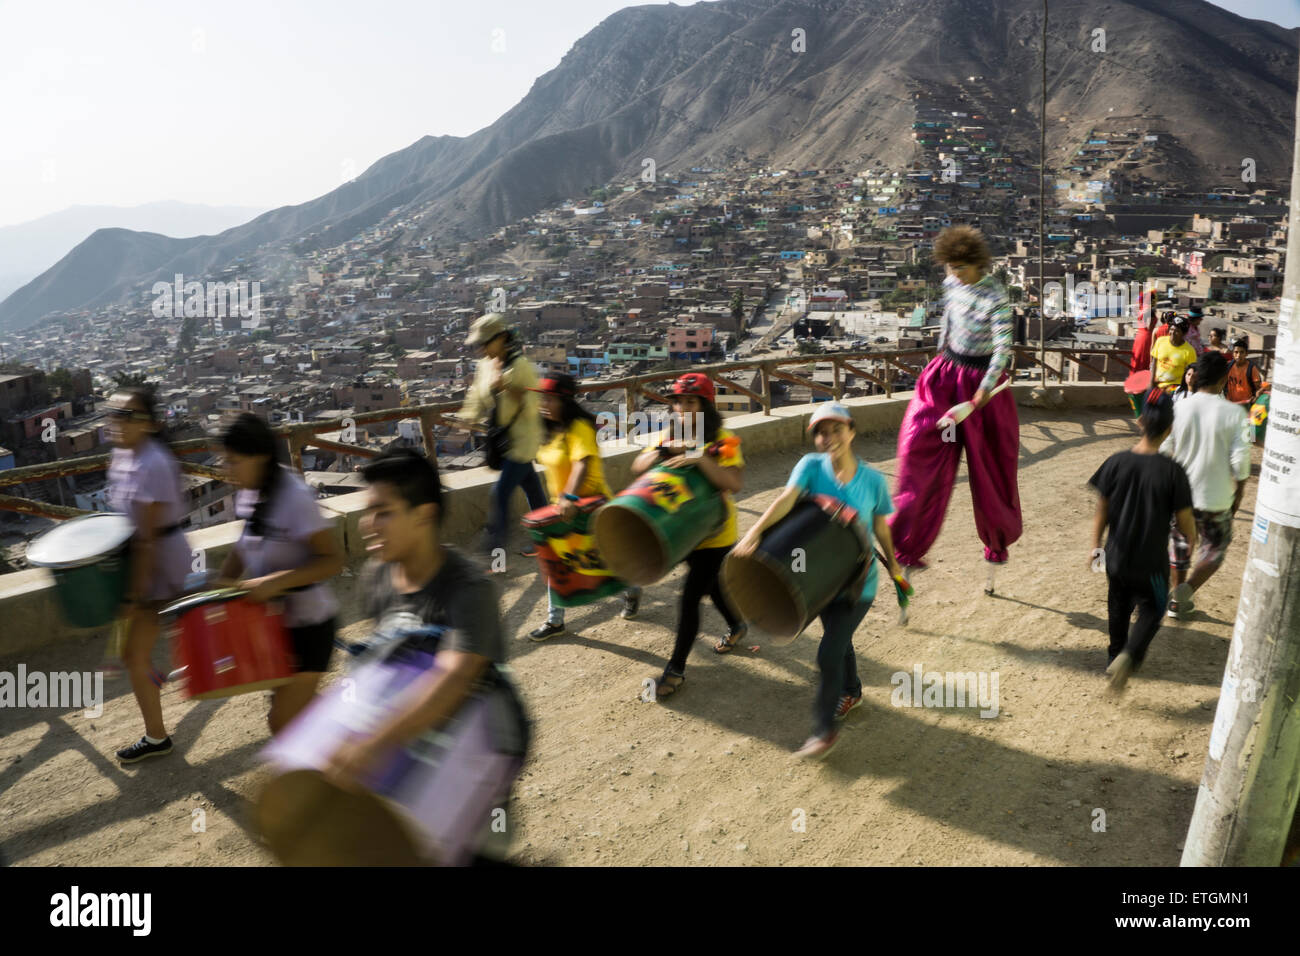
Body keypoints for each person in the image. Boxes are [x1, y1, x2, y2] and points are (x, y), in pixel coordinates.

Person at [327, 448, 529, 863]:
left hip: (478, 753)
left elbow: (455, 676)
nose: (368, 524)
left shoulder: (469, 588)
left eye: (383, 512)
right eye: (367, 512)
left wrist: (375, 744)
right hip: (419, 750)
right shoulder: (378, 576)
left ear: (423, 514)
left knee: (477, 852)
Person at [734, 403, 901, 758]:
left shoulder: (873, 480)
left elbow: (882, 527)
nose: (829, 438)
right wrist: (754, 534)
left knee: (829, 652)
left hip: (859, 582)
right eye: (821, 433)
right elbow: (786, 500)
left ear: (852, 431)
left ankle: (825, 730)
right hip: (820, 577)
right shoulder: (809, 466)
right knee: (839, 639)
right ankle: (852, 691)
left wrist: (896, 568)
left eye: (836, 430)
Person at [888, 225, 1020, 595]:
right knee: (918, 455)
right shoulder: (951, 283)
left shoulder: (996, 295)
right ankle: (906, 546)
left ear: (977, 262)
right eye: (950, 267)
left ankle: (996, 544)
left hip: (983, 390)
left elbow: (1002, 350)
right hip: (946, 377)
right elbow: (948, 323)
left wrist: (981, 395)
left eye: (960, 266)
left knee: (992, 471)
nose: (955, 273)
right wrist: (938, 358)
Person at [216, 414, 345, 734]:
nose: (226, 470)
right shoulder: (249, 493)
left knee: (281, 720)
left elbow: (331, 561)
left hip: (310, 626)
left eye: (233, 461)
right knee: (303, 710)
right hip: (273, 627)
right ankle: (357, 741)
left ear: (259, 456)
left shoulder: (295, 497)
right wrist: (219, 587)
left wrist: (275, 582)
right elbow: (244, 546)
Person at [631, 373, 746, 697]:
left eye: (691, 401)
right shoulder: (671, 433)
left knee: (691, 597)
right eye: (678, 402)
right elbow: (638, 467)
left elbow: (734, 483)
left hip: (715, 534)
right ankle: (737, 626)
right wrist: (664, 450)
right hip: (681, 531)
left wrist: (699, 457)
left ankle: (675, 670)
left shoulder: (724, 440)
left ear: (706, 406)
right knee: (711, 586)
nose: (683, 407)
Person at [1088, 389, 1196, 693]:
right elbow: (1186, 523)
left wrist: (1097, 547)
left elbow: (1102, 510)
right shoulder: (1173, 472)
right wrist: (1191, 538)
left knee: (1118, 605)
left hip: (1116, 555)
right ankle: (1130, 655)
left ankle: (1113, 655)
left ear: (1139, 422)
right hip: (1151, 561)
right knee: (1154, 605)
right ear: (1170, 428)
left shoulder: (1115, 462)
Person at [105, 387, 191, 763]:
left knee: (134, 651)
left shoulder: (152, 463)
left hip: (157, 562)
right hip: (146, 559)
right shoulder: (125, 456)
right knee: (138, 650)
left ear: (150, 424)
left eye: (128, 415)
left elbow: (148, 539)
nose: (118, 422)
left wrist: (132, 597)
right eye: (113, 413)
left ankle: (157, 734)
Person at [526, 374, 640, 640]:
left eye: (550, 399)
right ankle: (556, 621)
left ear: (565, 401)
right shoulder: (547, 431)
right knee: (555, 561)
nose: (544, 403)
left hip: (590, 507)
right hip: (561, 509)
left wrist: (570, 497)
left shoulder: (579, 428)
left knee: (604, 559)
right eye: (541, 397)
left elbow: (583, 462)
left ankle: (632, 589)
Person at [1161, 351, 1252, 619]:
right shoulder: (1234, 413)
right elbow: (1241, 463)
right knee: (1216, 548)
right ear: (1224, 379)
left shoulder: (1178, 407)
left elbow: (1166, 450)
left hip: (1181, 496)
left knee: (1180, 546)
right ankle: (1183, 593)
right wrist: (1238, 496)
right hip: (1216, 498)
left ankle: (1177, 602)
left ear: (1197, 376)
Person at [456, 312, 546, 568]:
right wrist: (468, 417)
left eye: (486, 342)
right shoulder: (485, 365)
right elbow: (476, 394)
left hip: (523, 440)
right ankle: (549, 537)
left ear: (503, 338)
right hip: (503, 439)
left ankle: (493, 552)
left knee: (500, 492)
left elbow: (533, 404)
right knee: (532, 488)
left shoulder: (521, 367)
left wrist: (506, 387)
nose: (482, 348)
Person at [1151, 315, 1196, 394]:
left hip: (1176, 389)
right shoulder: (1160, 341)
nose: (1173, 333)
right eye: (1171, 329)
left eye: (1177, 331)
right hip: (1157, 386)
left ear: (1184, 333)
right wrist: (1151, 383)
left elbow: (1191, 373)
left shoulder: (1189, 351)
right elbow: (1154, 361)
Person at [1224, 338, 1263, 410]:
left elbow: (1258, 388)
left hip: (1245, 406)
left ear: (1246, 353)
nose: (1238, 355)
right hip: (1230, 404)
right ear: (1233, 353)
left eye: (1241, 352)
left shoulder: (1251, 368)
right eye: (1236, 352)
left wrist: (1255, 398)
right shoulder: (1228, 366)